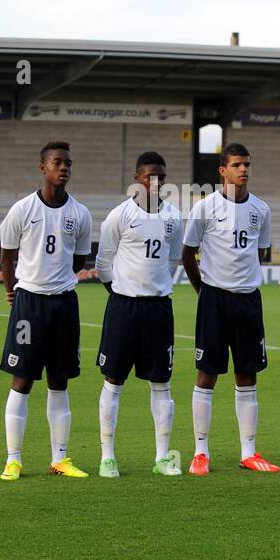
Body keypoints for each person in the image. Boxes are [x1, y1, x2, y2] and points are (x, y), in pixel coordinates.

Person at [181, 142, 279, 475]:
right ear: (223, 171)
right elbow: (187, 253)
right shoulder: (205, 208)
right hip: (214, 299)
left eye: (247, 165)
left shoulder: (261, 210)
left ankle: (249, 452)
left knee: (247, 374)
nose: (244, 170)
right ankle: (200, 452)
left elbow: (262, 253)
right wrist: (203, 291)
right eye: (237, 165)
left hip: (248, 300)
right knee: (207, 373)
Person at [0, 140, 93, 481]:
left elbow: (79, 260)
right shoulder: (22, 210)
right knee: (22, 379)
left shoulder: (80, 213)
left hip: (64, 304)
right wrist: (12, 291)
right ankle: (13, 460)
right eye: (57, 162)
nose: (64, 167)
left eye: (68, 162)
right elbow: (7, 255)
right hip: (30, 305)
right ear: (43, 168)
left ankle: (60, 459)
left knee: (59, 380)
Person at [93, 151, 183, 477]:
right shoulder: (119, 216)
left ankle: (162, 458)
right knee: (113, 381)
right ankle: (107, 457)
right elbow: (103, 263)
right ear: (137, 179)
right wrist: (121, 294)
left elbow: (172, 261)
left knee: (162, 383)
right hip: (123, 307)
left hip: (159, 308)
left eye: (160, 176)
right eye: (149, 176)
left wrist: (152, 289)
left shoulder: (174, 217)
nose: (155, 182)